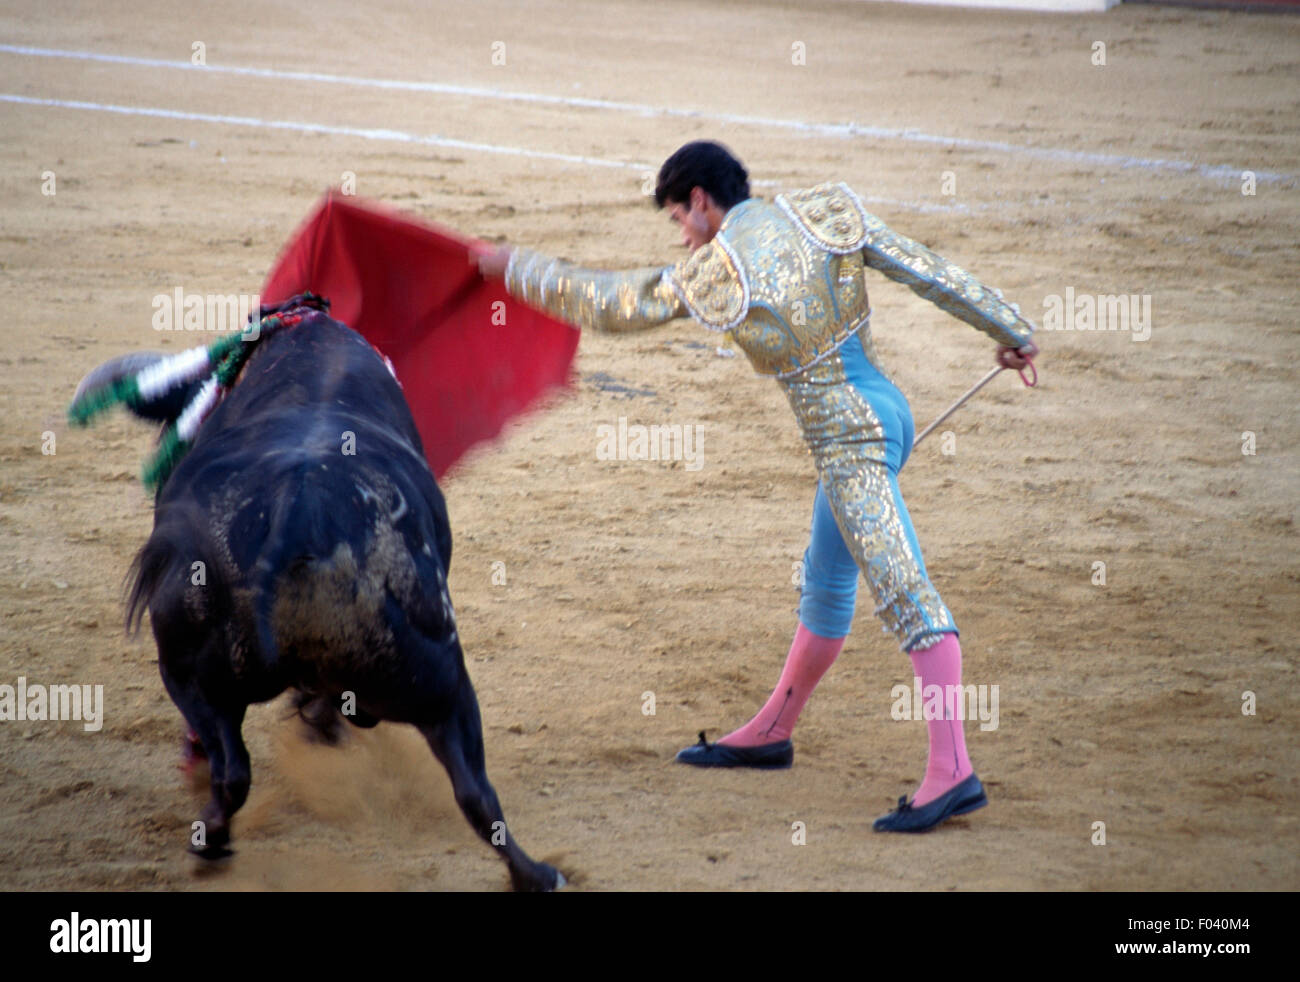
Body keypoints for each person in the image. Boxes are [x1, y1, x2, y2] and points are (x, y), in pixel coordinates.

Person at [477, 141, 1038, 833]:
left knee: (909, 598)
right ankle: (773, 730)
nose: (682, 233)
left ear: (702, 202)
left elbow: (616, 304)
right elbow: (927, 270)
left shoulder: (720, 271)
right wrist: (1011, 329)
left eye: (680, 217)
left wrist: (519, 270)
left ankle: (953, 772)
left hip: (851, 442)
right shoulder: (820, 212)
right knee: (828, 586)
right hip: (884, 413)